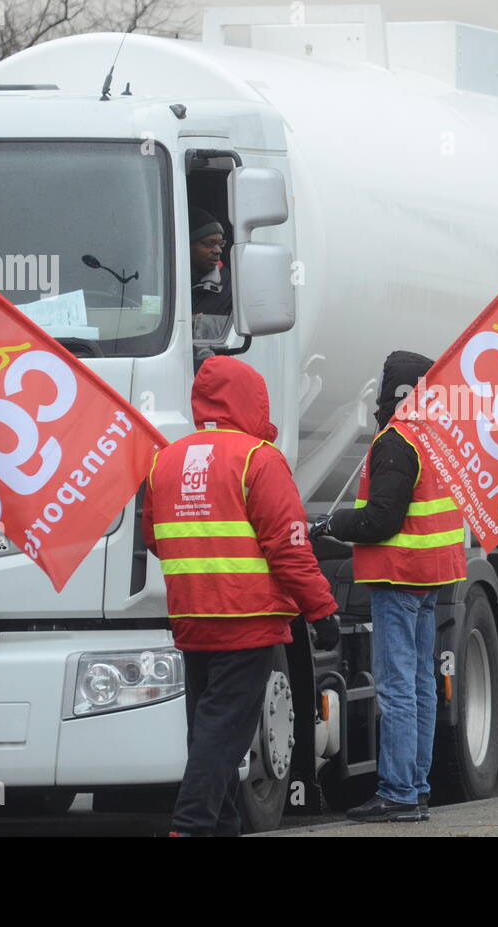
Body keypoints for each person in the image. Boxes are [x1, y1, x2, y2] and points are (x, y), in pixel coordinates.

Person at [143, 355, 339, 836]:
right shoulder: (257, 458)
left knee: (208, 731)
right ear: (253, 400)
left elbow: (153, 537)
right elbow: (290, 549)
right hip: (247, 619)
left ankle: (223, 826)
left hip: (192, 617)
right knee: (222, 735)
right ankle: (189, 826)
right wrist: (322, 609)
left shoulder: (165, 460)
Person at [312, 351, 466, 822]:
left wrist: (330, 523)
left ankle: (398, 793)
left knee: (399, 687)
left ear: (390, 393)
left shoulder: (396, 440)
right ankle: (415, 789)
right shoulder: (434, 438)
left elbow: (380, 519)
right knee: (421, 685)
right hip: (430, 577)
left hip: (398, 577)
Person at [189, 207, 233, 340]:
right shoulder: (162, 281)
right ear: (187, 244)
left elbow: (233, 331)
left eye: (220, 244)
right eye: (210, 243)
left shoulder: (229, 286)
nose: (218, 250)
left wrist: (202, 324)